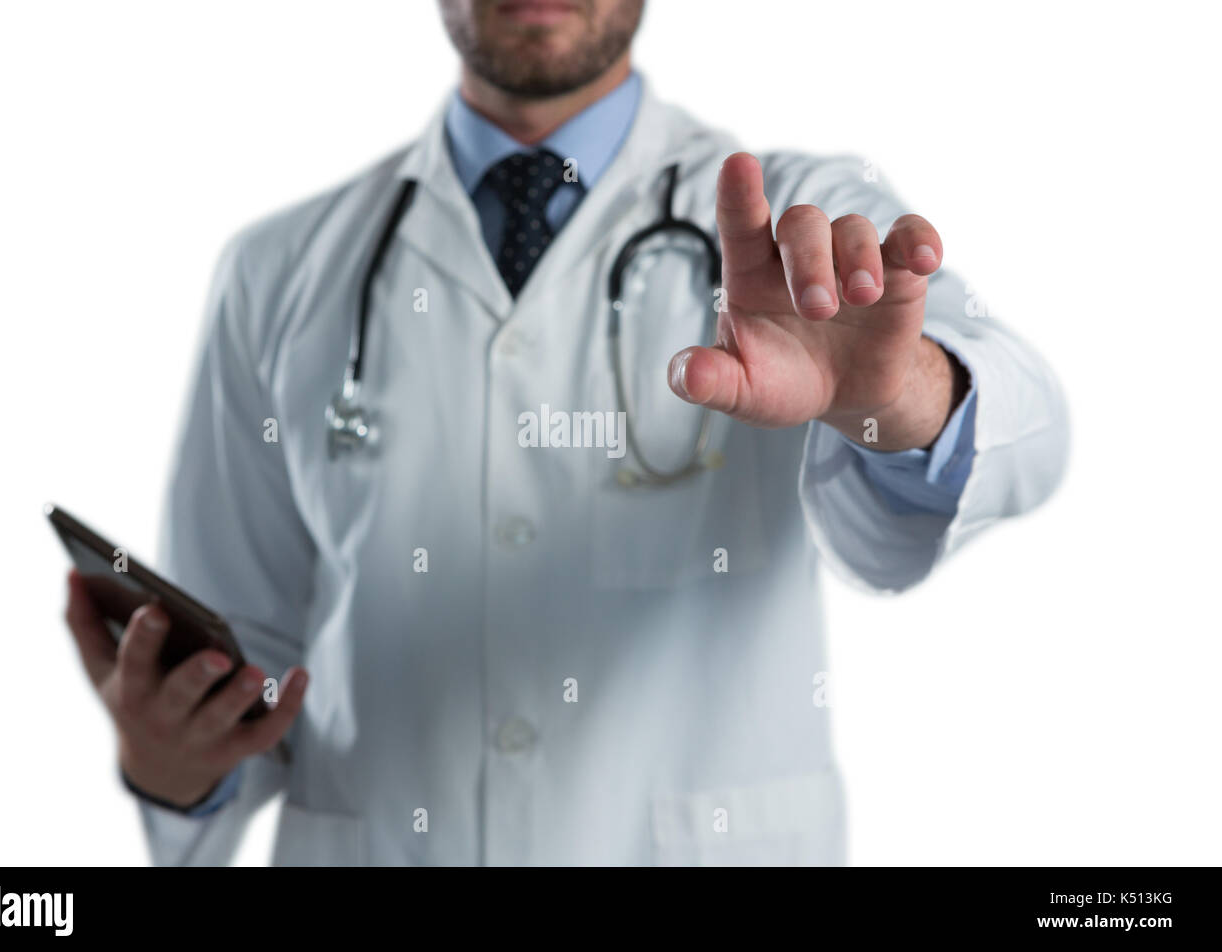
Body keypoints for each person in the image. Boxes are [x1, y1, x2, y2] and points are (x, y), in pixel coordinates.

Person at [63, 0, 1067, 865]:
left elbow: (1028, 422)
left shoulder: (792, 219)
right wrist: (172, 758)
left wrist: (893, 396)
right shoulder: (277, 269)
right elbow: (249, 657)